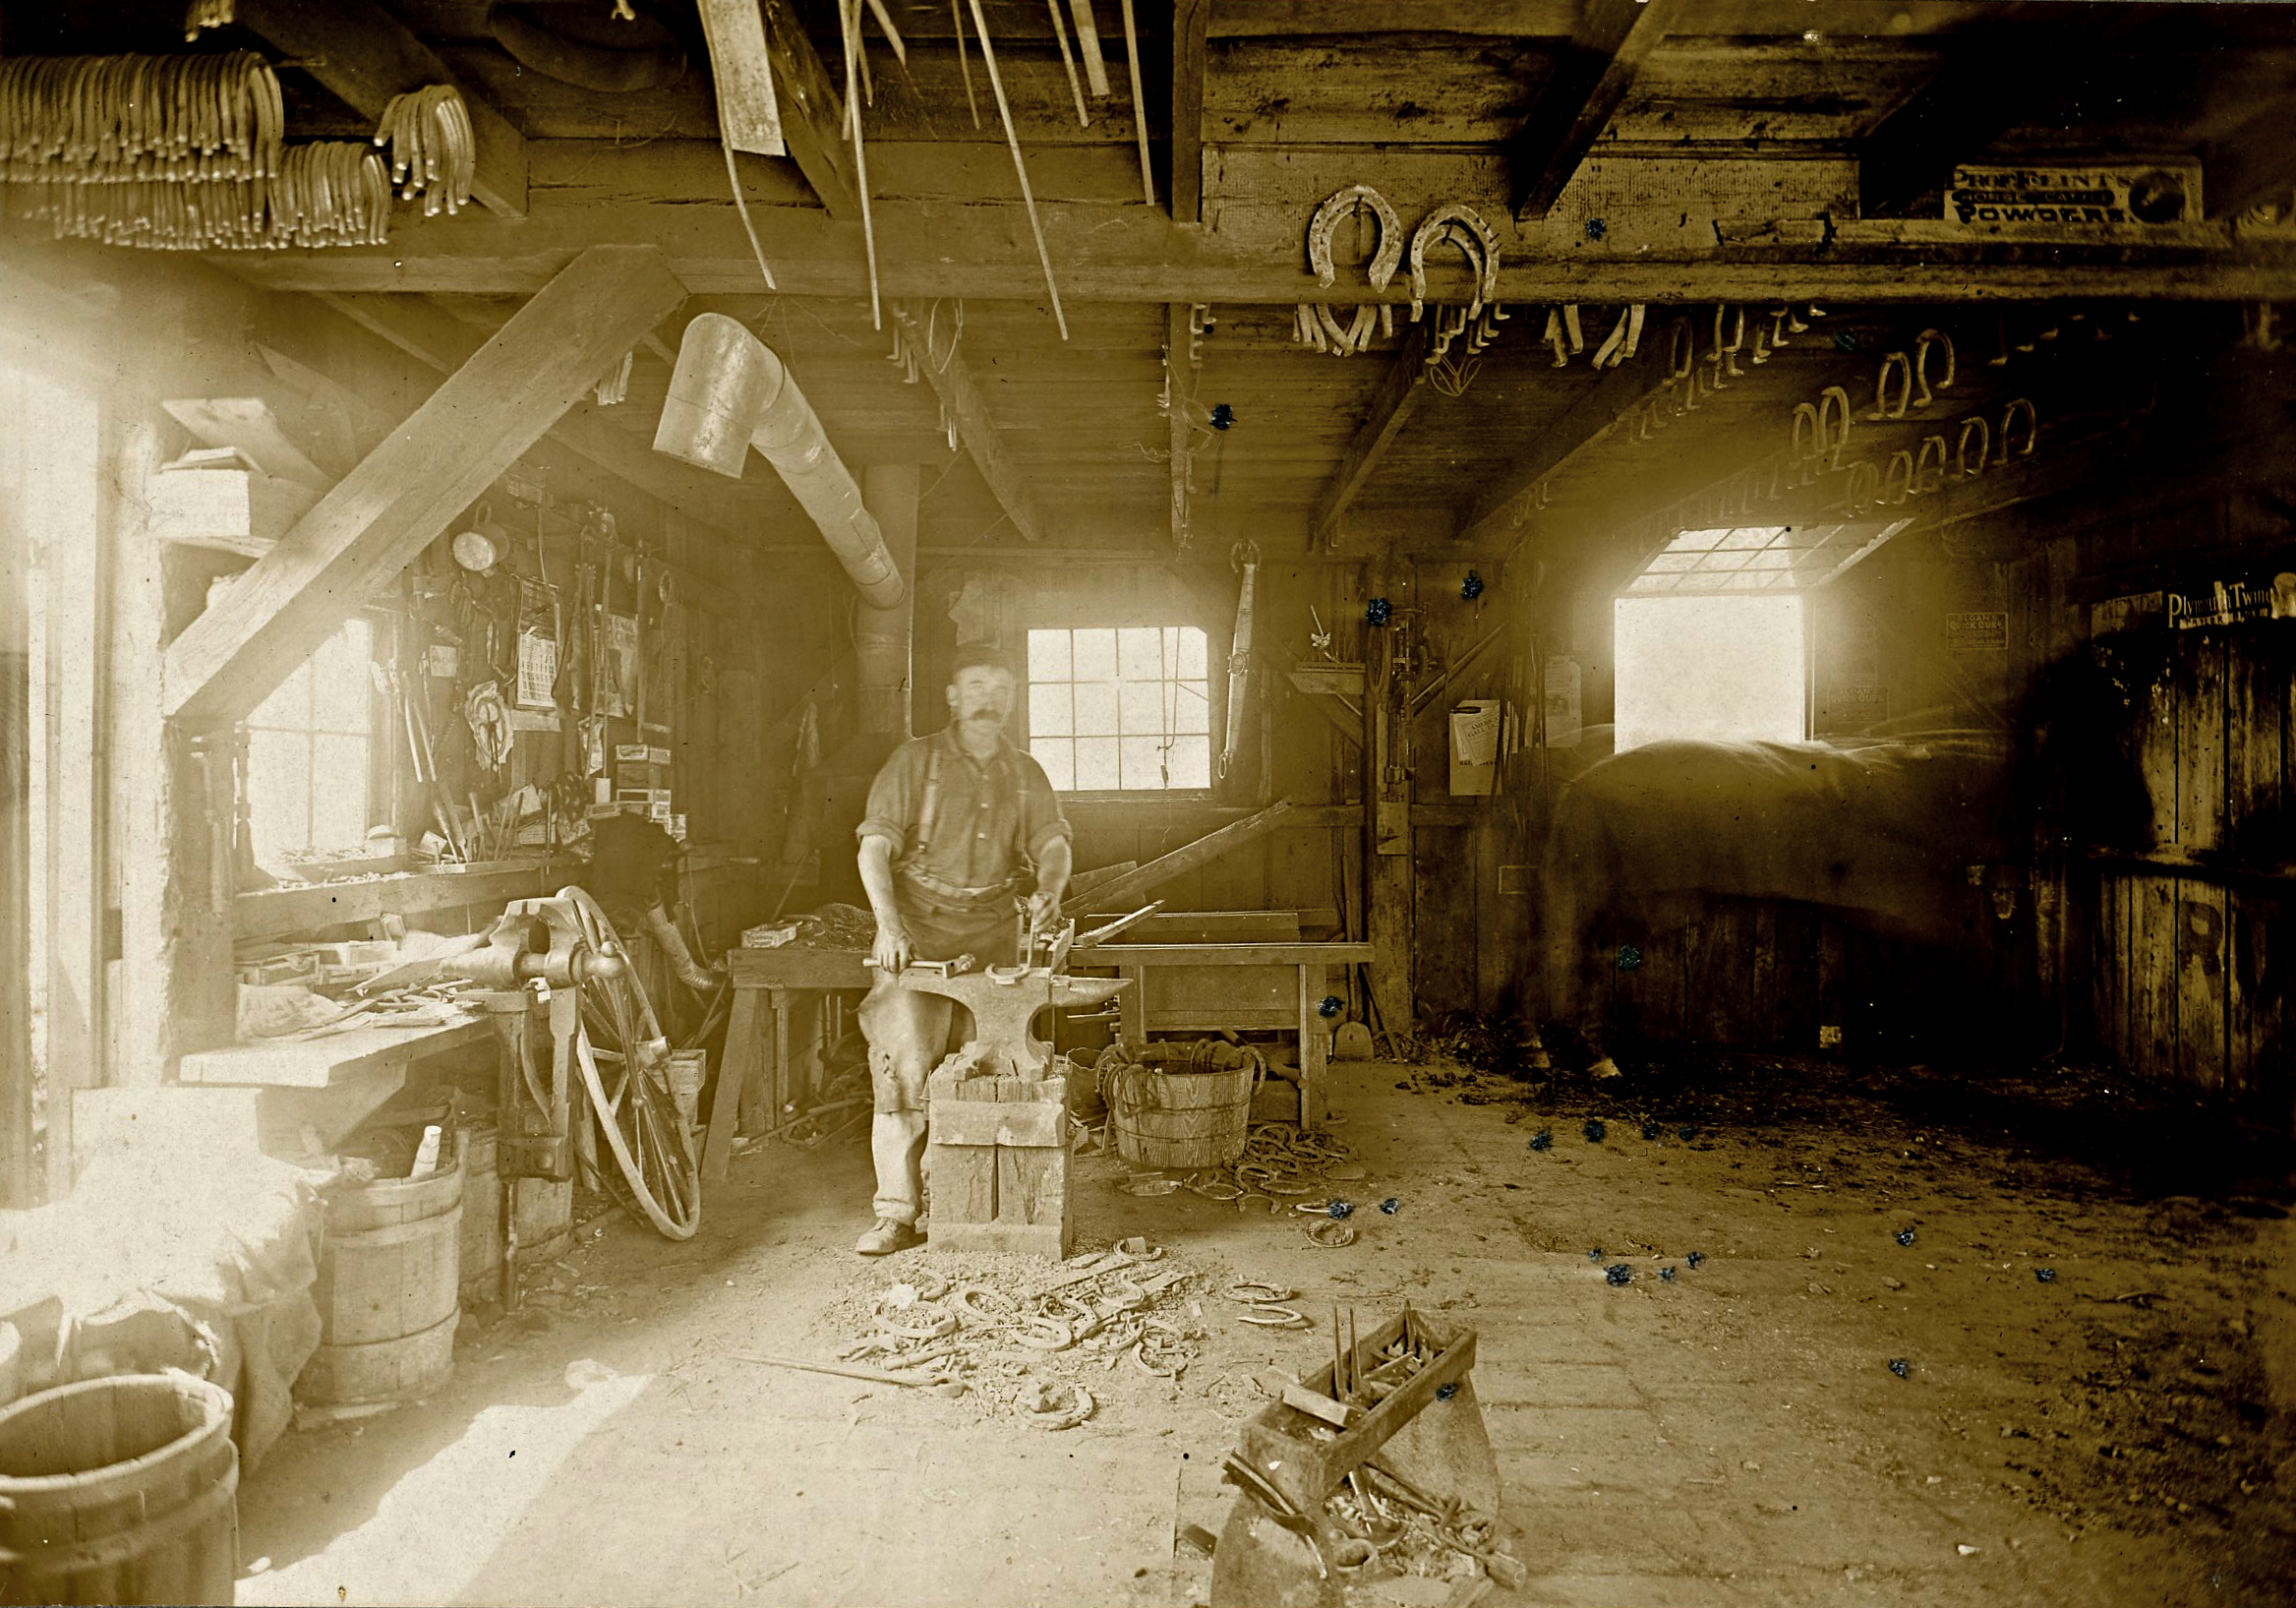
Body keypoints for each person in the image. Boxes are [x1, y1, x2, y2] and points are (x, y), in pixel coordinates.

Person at [852, 642, 1072, 1255]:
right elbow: (873, 851)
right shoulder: (913, 763)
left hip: (995, 933)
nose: (988, 700)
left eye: (1000, 688)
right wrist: (890, 927)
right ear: (951, 696)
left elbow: (1053, 842)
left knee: (995, 1069)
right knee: (906, 1068)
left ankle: (980, 1207)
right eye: (975, 686)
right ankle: (896, 1212)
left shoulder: (1024, 772)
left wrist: (1050, 886)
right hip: (917, 932)